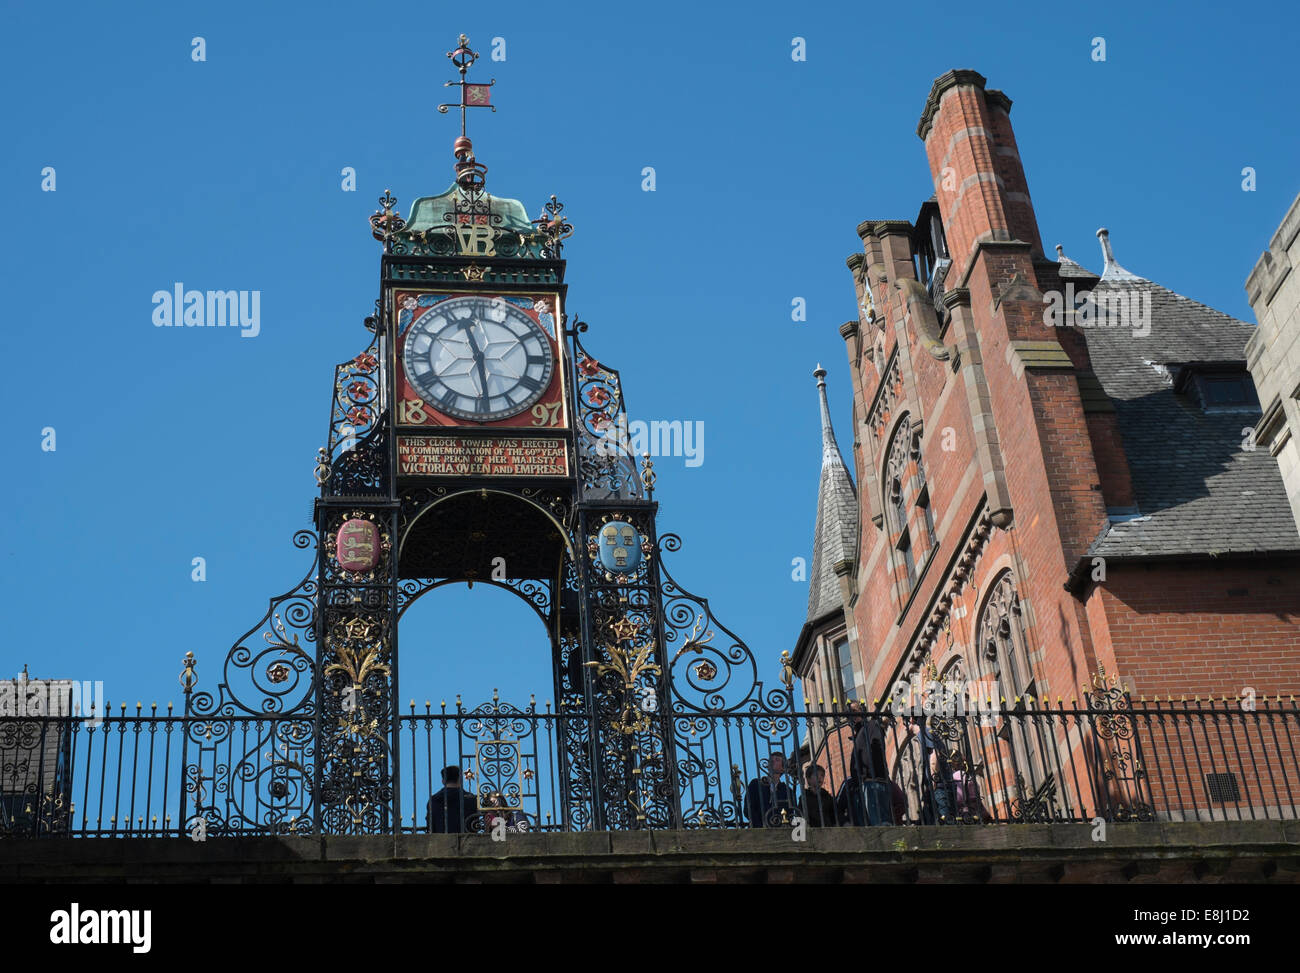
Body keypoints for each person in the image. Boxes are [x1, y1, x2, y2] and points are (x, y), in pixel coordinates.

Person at [745, 752, 794, 827]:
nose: (772, 761)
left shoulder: (787, 791)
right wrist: (760, 827)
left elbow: (790, 813)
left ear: (783, 769)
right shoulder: (755, 784)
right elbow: (748, 808)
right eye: (771, 759)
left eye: (777, 760)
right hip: (757, 830)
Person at [426, 765, 479, 833]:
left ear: (443, 781)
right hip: (467, 840)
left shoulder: (434, 800)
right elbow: (476, 824)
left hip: (441, 840)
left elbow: (430, 826)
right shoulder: (471, 799)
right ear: (460, 779)